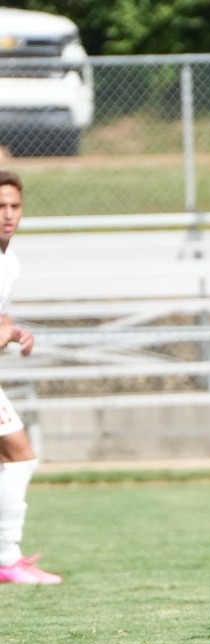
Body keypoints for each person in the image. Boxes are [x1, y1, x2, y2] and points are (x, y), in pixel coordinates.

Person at [0, 171, 61, 585]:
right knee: (20, 455)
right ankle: (6, 559)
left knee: (16, 456)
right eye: (0, 207)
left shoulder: (10, 261)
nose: (8, 215)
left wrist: (14, 329)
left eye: (14, 206)